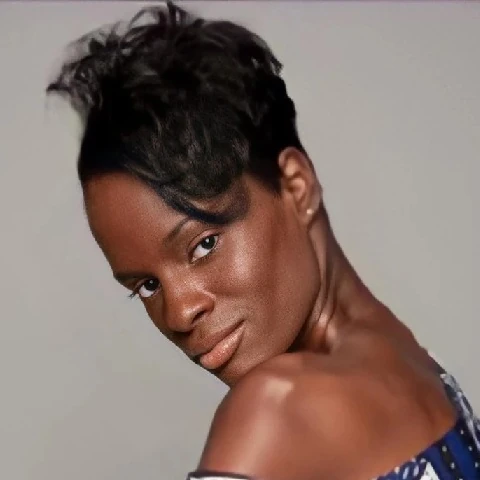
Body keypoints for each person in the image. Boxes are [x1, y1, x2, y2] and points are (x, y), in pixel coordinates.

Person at [47, 2, 480, 479]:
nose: (179, 312)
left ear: (296, 185)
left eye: (203, 245)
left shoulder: (273, 408)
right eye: (147, 285)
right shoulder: (414, 363)